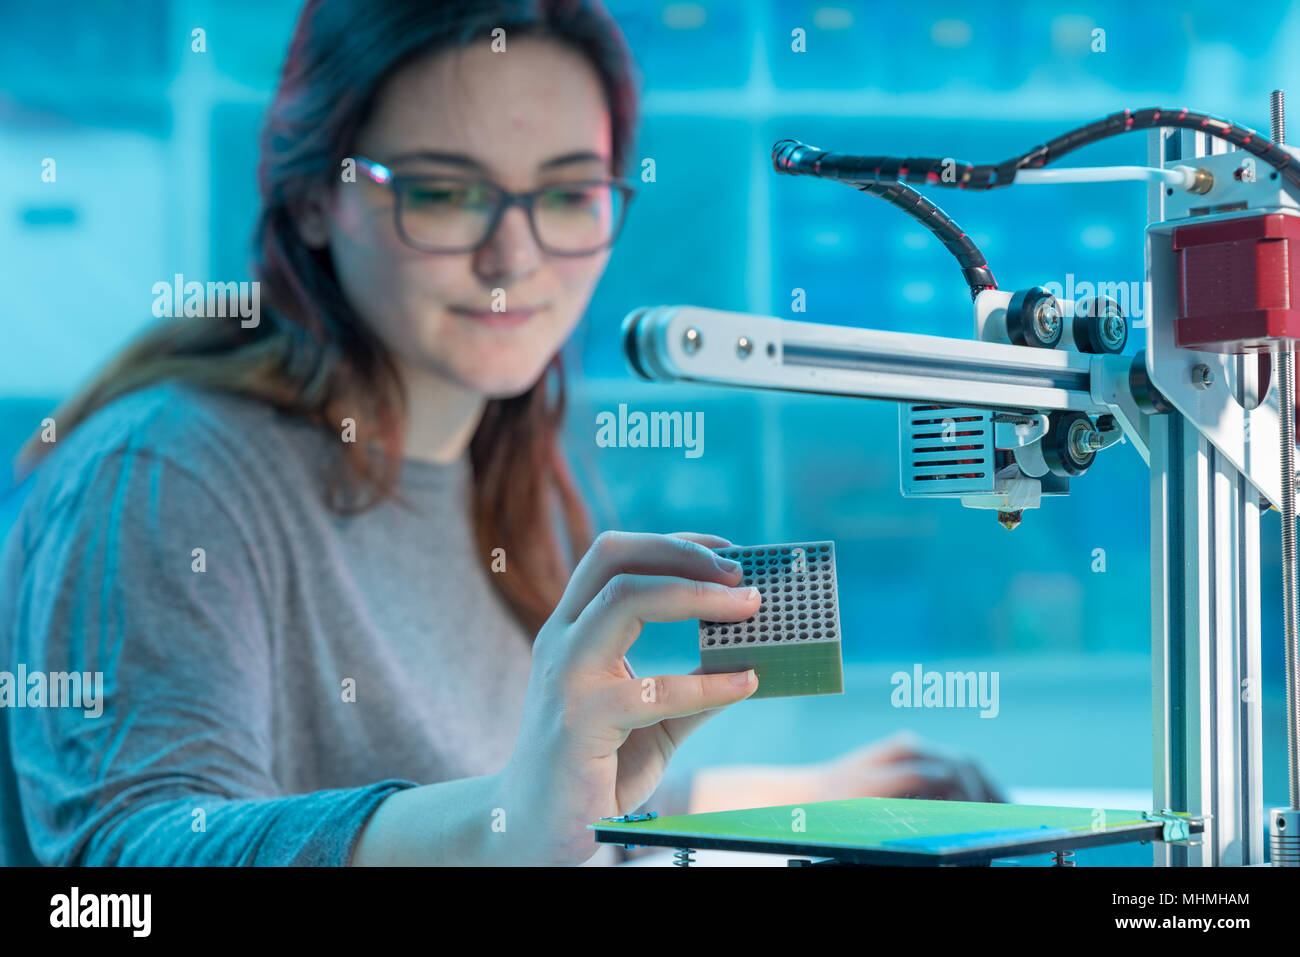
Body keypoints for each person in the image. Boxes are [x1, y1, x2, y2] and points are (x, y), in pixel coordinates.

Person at [0, 0, 1002, 867]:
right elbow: (122, 871)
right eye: (442, 191)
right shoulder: (167, 476)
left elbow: (532, 802)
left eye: (568, 194)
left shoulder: (507, 473)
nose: (511, 255)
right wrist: (504, 821)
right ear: (313, 199)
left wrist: (813, 791)